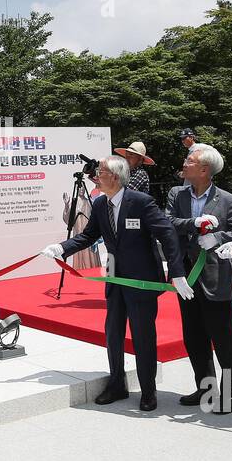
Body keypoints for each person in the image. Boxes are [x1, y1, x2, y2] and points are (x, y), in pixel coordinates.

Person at [41, 156, 190, 412]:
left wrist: (176, 272)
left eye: (101, 172)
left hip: (141, 281)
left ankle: (148, 390)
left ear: (116, 177)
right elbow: (89, 235)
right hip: (114, 279)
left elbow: (167, 233)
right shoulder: (100, 204)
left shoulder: (141, 202)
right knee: (113, 333)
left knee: (143, 335)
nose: (96, 177)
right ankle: (117, 384)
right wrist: (62, 248)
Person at [166, 144, 232, 413]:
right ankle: (205, 388)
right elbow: (167, 222)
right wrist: (192, 223)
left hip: (215, 277)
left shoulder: (228, 200)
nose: (184, 163)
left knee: (223, 338)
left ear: (204, 170)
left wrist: (219, 237)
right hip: (186, 278)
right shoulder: (177, 194)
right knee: (193, 336)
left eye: (190, 161)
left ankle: (231, 391)